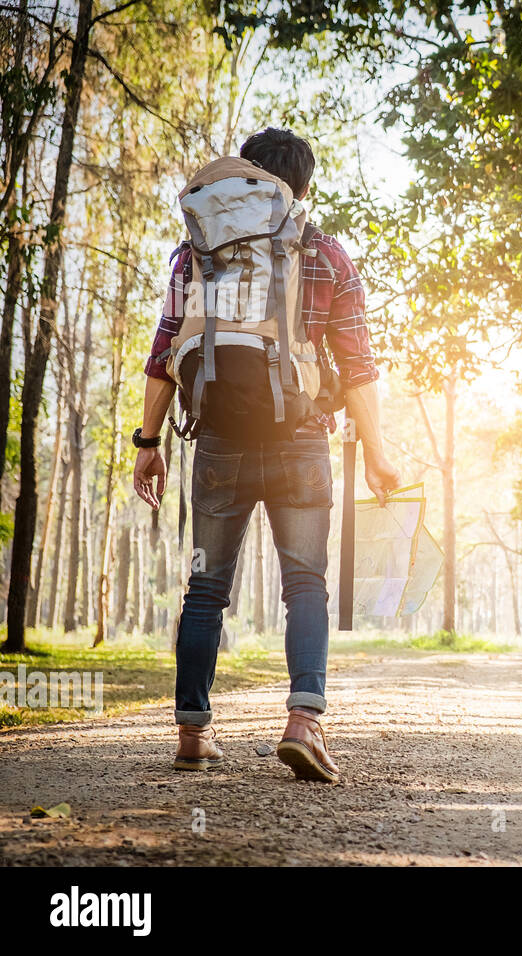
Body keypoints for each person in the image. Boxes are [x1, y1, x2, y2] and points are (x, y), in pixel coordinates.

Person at [132, 127, 399, 782]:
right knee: (305, 583)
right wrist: (378, 454)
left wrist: (147, 444)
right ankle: (305, 722)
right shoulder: (327, 255)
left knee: (205, 586)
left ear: (249, 179)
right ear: (303, 187)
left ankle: (193, 733)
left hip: (218, 440)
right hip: (302, 440)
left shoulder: (194, 256)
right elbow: (359, 368)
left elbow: (165, 353)